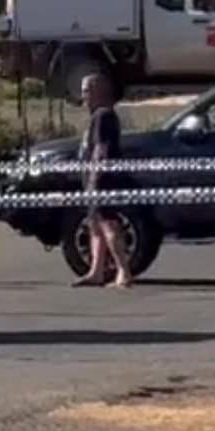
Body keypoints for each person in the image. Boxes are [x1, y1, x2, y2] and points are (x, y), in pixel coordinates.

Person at [75, 72, 134, 289]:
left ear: (100, 91)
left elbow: (101, 148)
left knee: (109, 225)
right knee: (95, 226)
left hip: (102, 180)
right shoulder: (96, 116)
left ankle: (123, 271)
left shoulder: (103, 116)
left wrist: (95, 177)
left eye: (87, 91)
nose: (84, 96)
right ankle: (96, 271)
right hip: (92, 180)